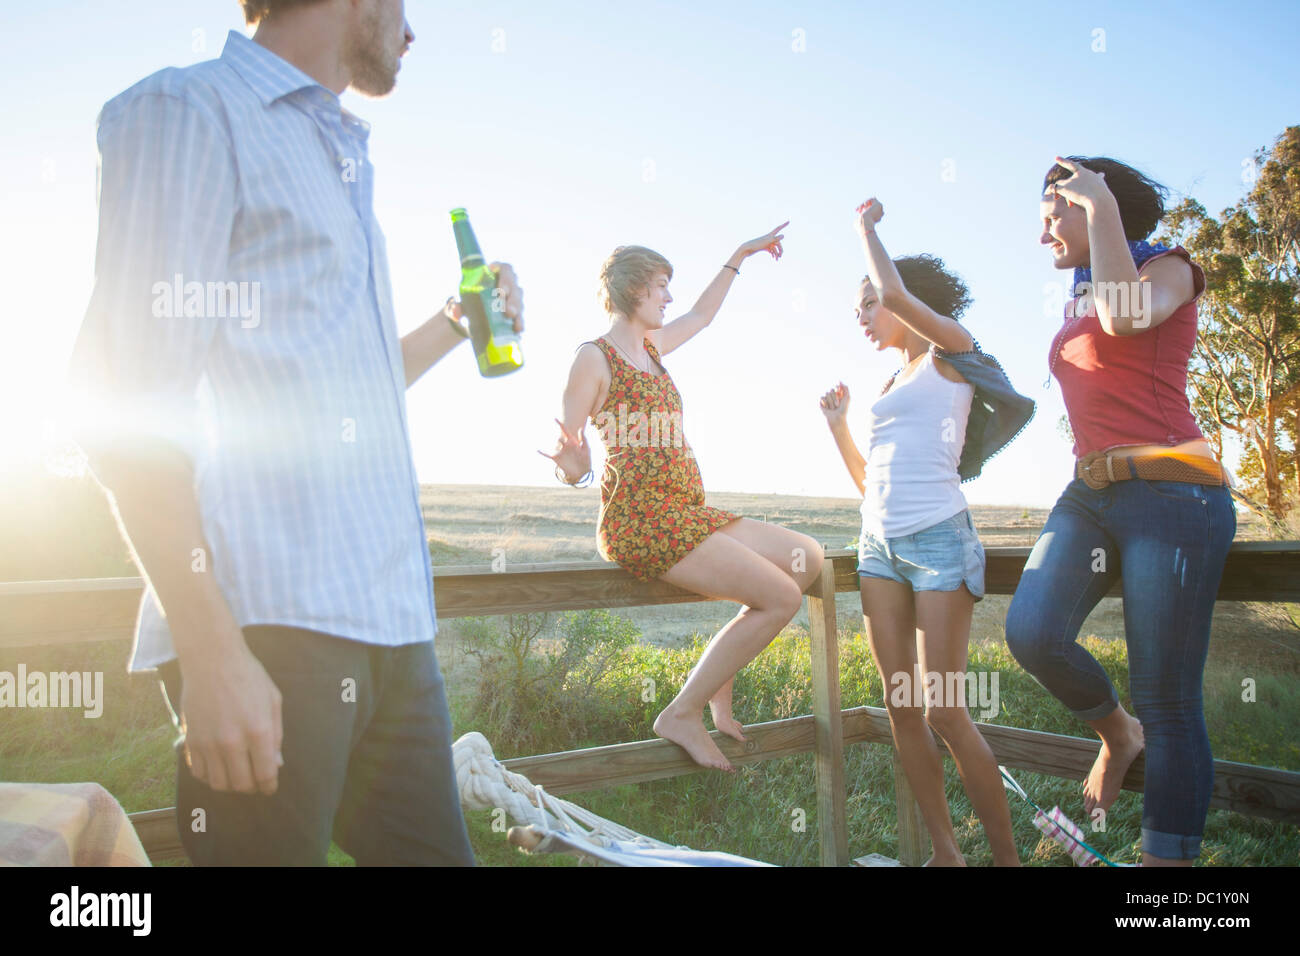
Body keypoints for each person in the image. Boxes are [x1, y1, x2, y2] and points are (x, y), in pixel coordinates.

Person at [63, 0, 518, 865]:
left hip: (390, 626)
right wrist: (209, 650)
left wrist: (457, 324)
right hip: (266, 623)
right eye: (402, 4)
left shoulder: (339, 155)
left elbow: (349, 380)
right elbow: (128, 397)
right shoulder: (191, 111)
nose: (412, 30)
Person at [1004, 156, 1236, 867]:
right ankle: (1116, 732)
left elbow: (1127, 314)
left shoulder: (1168, 266)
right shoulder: (1084, 291)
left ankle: (1164, 873)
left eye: (1056, 212)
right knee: (1033, 631)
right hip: (1089, 491)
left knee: (1167, 700)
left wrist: (1101, 202)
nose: (1044, 232)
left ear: (1097, 204)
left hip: (1173, 491)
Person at [542, 224, 824, 772]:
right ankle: (681, 712)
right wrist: (575, 472)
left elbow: (702, 315)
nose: (670, 297)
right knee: (781, 598)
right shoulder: (593, 358)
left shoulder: (651, 345)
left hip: (686, 510)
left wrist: (740, 256)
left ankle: (720, 678)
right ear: (633, 291)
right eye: (661, 286)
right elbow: (571, 453)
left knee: (806, 558)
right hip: (642, 519)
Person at [819, 198, 1032, 866]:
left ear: (903, 301)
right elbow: (869, 484)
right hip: (878, 548)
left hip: (940, 543)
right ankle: (947, 853)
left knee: (945, 710)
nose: (861, 315)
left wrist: (863, 230)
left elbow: (889, 289)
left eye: (865, 306)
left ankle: (1005, 859)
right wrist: (839, 427)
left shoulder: (951, 350)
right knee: (901, 708)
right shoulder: (891, 380)